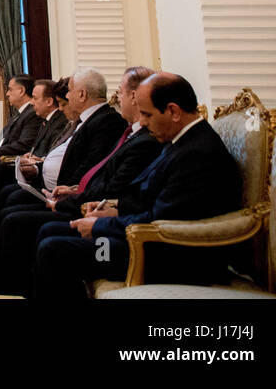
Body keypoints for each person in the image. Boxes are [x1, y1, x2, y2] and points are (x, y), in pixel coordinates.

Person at [33, 72, 242, 299]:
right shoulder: (179, 140)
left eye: (147, 115)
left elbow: (161, 219)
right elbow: (151, 197)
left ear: (173, 111)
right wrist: (115, 210)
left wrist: (99, 227)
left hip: (163, 255)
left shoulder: (197, 153)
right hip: (145, 240)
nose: (142, 122)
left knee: (55, 249)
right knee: (51, 230)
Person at [0, 67, 161, 297]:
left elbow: (146, 206)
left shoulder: (150, 140)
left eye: (121, 92)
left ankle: (6, 292)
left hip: (131, 247)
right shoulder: (139, 136)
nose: (118, 99)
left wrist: (99, 216)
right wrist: (83, 196)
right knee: (35, 228)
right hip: (110, 220)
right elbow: (123, 188)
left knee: (50, 243)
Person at [0, 77, 66, 227]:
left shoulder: (58, 121)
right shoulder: (45, 119)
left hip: (43, 176)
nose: (32, 102)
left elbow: (50, 152)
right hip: (34, 166)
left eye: (35, 98)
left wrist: (38, 160)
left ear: (49, 102)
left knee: (3, 170)